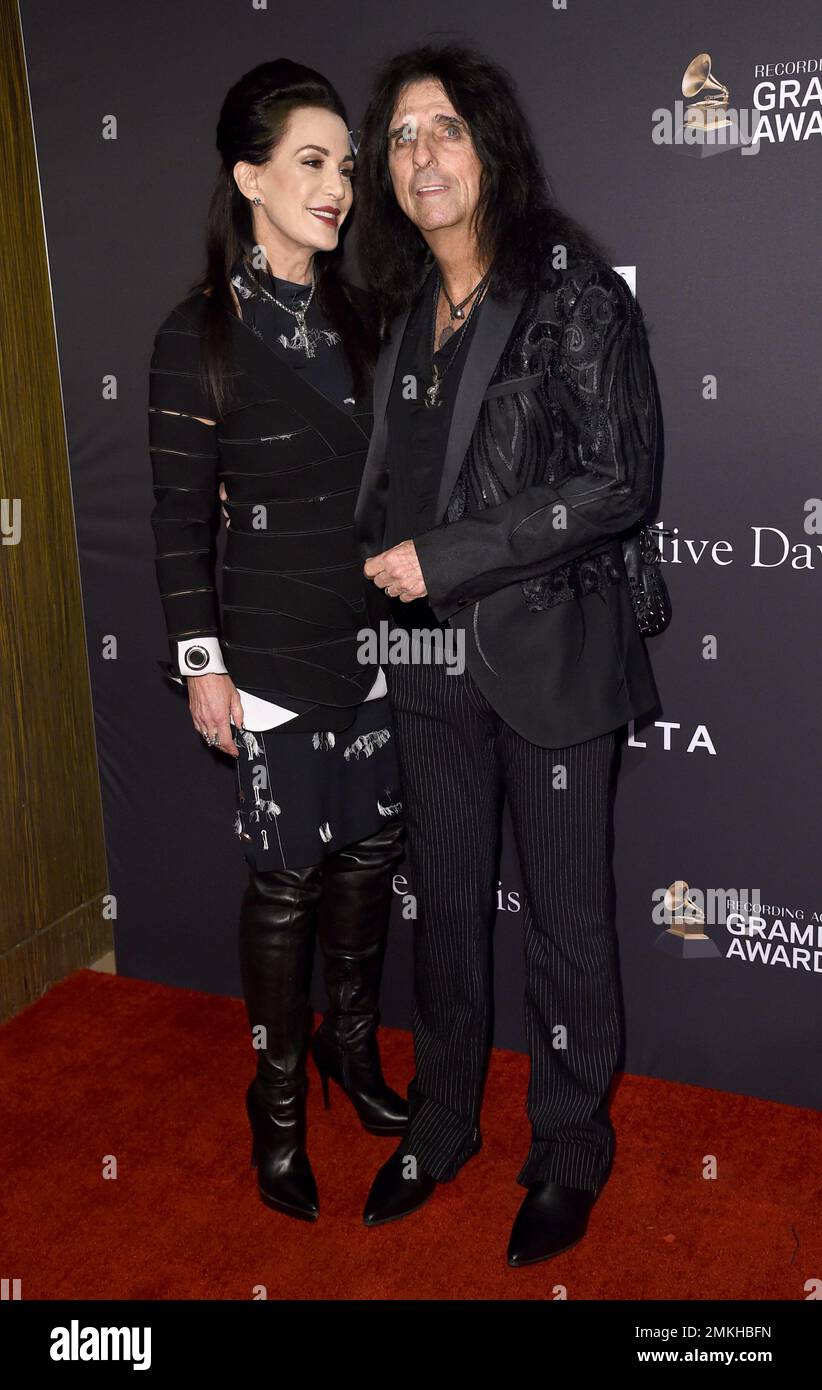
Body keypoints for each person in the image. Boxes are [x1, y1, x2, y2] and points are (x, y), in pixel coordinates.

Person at [353, 43, 663, 1265]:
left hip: (552, 657)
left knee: (568, 922)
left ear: (490, 149)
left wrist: (456, 556)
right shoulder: (399, 307)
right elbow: (391, 483)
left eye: (444, 133)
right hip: (429, 663)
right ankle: (443, 1120)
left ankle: (570, 1145)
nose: (421, 157)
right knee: (444, 919)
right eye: (400, 139)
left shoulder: (572, 289)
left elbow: (618, 477)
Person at [148, 59, 408, 1224]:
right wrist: (203, 666)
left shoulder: (364, 318)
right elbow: (171, 521)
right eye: (312, 162)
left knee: (366, 863)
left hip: (374, 648)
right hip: (266, 653)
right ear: (249, 176)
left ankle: (352, 1053)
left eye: (346, 166)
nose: (339, 185)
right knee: (288, 881)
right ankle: (280, 1100)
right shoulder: (197, 333)